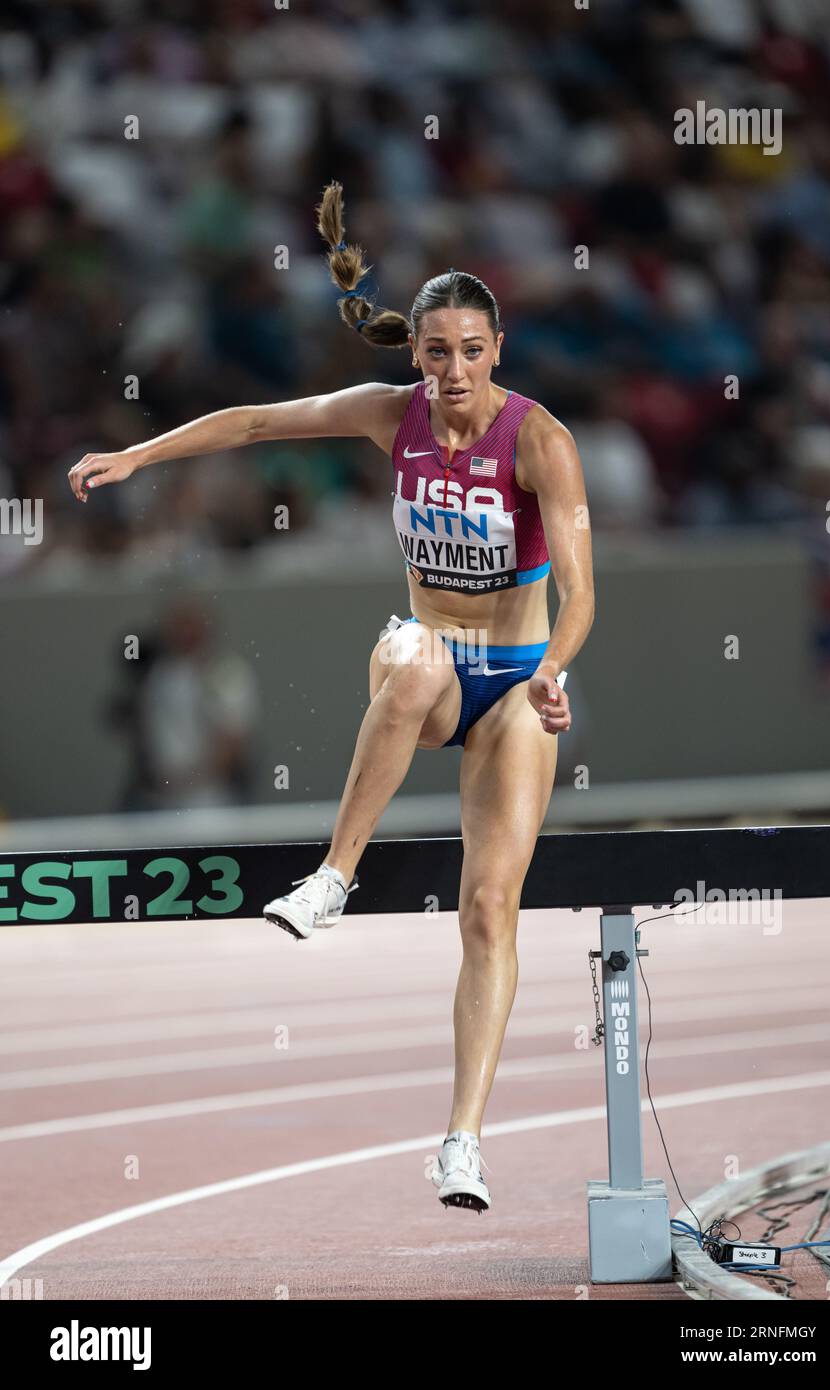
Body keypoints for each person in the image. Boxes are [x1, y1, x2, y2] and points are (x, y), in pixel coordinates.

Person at [67, 180, 595, 1214]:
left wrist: (548, 671)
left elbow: (580, 596)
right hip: (429, 661)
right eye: (434, 352)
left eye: (470, 352)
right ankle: (332, 879)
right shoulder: (385, 415)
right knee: (406, 664)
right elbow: (258, 420)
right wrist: (138, 453)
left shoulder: (539, 442)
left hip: (517, 678)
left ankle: (460, 1142)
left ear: (498, 350)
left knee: (489, 910)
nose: (451, 372)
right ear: (415, 354)